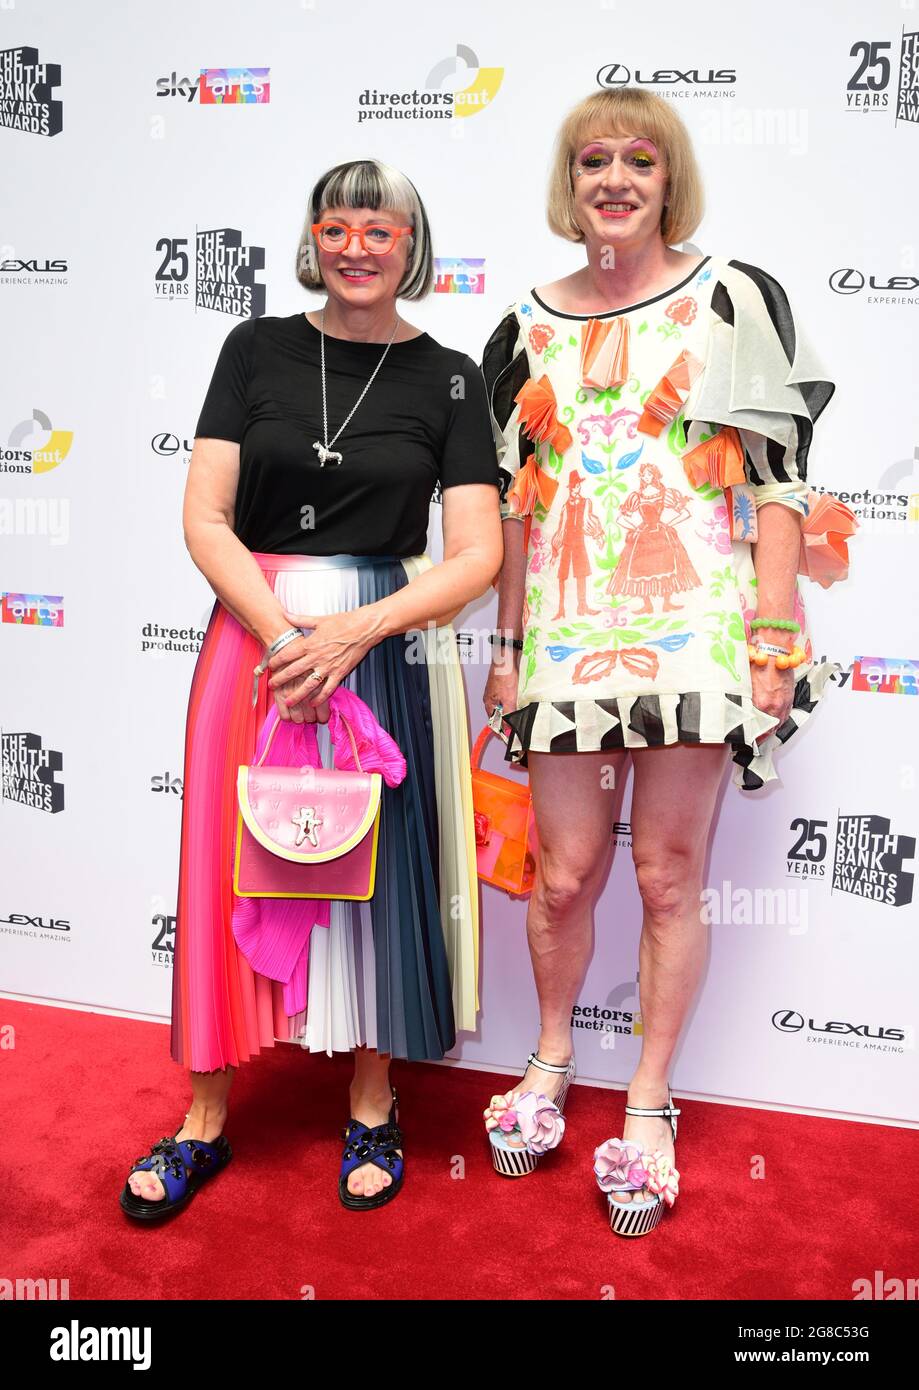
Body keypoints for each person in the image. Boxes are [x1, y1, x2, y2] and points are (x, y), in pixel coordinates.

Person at [481, 88, 843, 1237]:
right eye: (595, 161)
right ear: (569, 179)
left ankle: (647, 1097)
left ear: (668, 176)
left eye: (641, 160)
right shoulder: (524, 323)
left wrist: (775, 633)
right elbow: (516, 508)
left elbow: (778, 480)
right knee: (563, 876)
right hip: (563, 640)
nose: (616, 181)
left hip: (696, 634)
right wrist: (503, 644)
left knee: (668, 877)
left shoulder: (733, 298)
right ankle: (547, 1062)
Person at [120, 158, 503, 1218]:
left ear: (410, 245)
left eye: (378, 229)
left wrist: (356, 632)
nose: (355, 247)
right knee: (230, 865)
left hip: (381, 639)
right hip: (255, 639)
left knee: (374, 873)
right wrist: (288, 633)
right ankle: (204, 1118)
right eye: (335, 226)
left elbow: (473, 552)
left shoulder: (452, 375)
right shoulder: (253, 347)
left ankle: (372, 1103)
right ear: (312, 240)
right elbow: (206, 516)